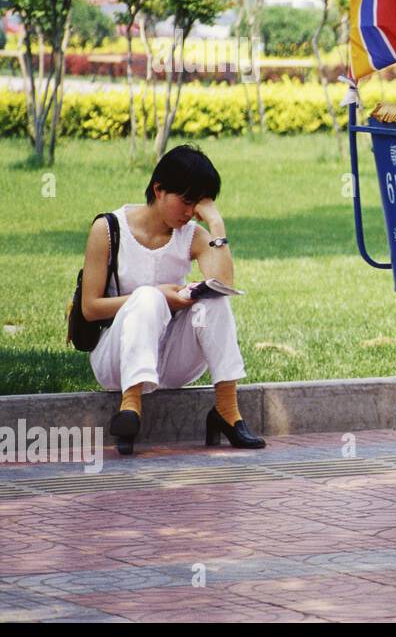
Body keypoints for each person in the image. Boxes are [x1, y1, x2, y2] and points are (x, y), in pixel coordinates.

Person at [80, 144, 264, 455]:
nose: (191, 212)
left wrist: (216, 225)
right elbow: (90, 308)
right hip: (116, 358)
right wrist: (154, 298)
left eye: (199, 205)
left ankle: (226, 409)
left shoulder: (191, 235)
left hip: (171, 360)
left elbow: (225, 284)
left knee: (215, 298)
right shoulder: (109, 229)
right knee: (149, 297)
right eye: (187, 201)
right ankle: (131, 406)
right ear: (159, 189)